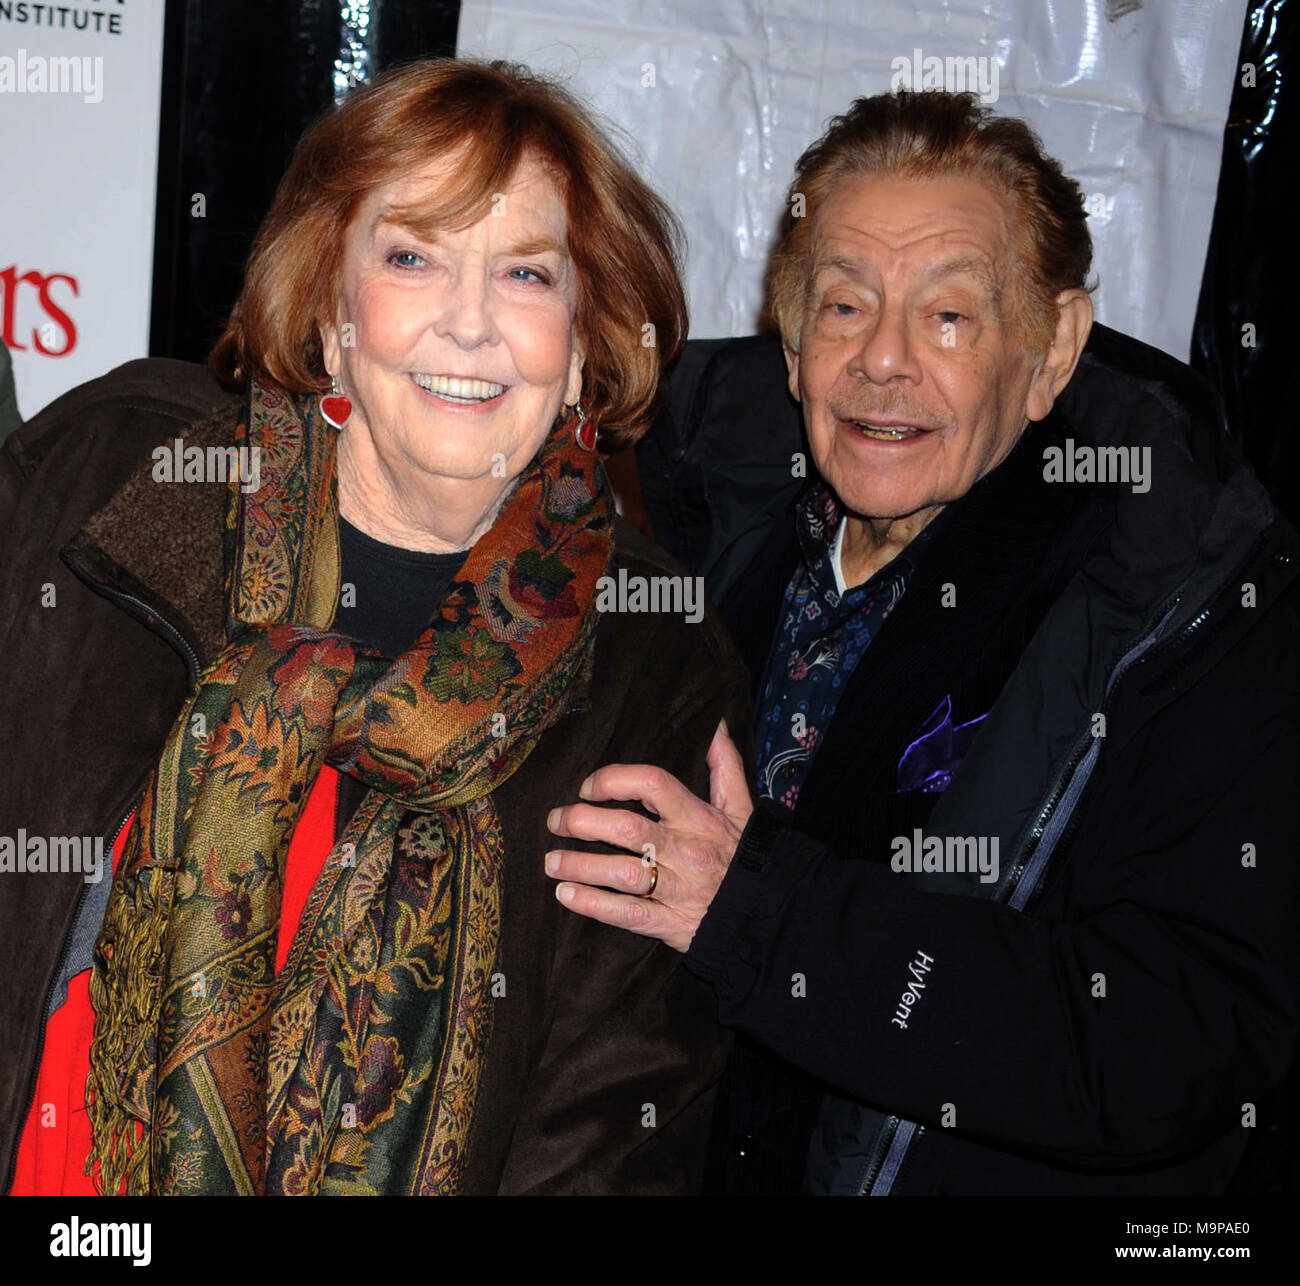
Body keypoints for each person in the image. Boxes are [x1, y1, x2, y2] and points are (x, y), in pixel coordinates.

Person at [0, 58, 749, 1196]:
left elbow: (611, 1129)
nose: (468, 322)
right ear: (330, 304)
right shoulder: (121, 469)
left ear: (588, 337)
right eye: (411, 257)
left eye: (527, 274)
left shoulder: (656, 659)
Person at [545, 90, 1300, 1194]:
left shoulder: (1179, 606)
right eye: (845, 307)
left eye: (949, 317)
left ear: (1053, 351)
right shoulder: (701, 527)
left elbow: (1172, 1039)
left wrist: (764, 915)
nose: (883, 361)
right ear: (793, 344)